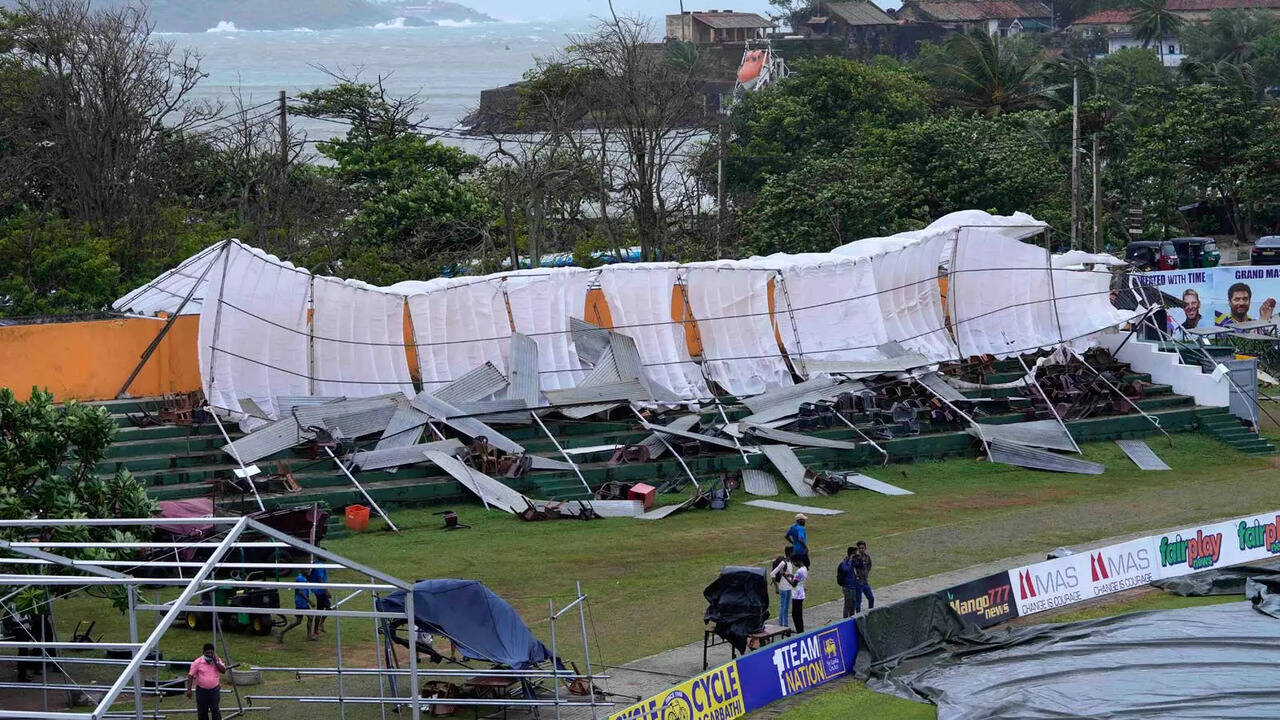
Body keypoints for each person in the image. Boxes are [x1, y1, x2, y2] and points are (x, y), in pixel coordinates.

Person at [186, 642, 226, 720]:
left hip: (214, 690)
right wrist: (189, 690)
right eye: (208, 653)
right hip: (202, 691)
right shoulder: (197, 662)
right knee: (202, 712)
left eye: (211, 652)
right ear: (203, 653)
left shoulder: (217, 660)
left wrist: (216, 662)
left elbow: (223, 671)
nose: (210, 655)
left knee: (215, 710)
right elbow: (190, 676)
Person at [275, 570, 314, 643]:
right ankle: (281, 633)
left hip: (303, 602)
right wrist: (309, 601)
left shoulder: (303, 578)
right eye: (307, 570)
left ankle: (281, 633)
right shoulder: (300, 579)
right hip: (301, 602)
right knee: (304, 619)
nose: (309, 571)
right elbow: (300, 592)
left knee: (302, 620)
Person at [769, 547, 795, 628]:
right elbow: (772, 573)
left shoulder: (790, 562)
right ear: (790, 553)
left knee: (786, 608)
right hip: (783, 588)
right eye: (793, 552)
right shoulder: (783, 563)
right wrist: (776, 587)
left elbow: (788, 574)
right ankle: (780, 625)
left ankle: (785, 625)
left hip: (788, 587)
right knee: (783, 607)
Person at [850, 541, 874, 614]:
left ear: (865, 548)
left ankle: (871, 612)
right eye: (859, 548)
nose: (861, 549)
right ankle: (858, 616)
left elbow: (870, 565)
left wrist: (866, 573)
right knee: (858, 601)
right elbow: (851, 568)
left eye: (862, 548)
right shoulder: (855, 558)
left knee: (871, 598)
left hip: (865, 581)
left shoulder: (867, 557)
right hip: (858, 582)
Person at [836, 547, 860, 619]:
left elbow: (860, 565)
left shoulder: (853, 562)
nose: (857, 554)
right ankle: (845, 619)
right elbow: (845, 570)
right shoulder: (844, 563)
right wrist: (850, 560)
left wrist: (859, 558)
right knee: (847, 605)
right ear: (852, 554)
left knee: (853, 605)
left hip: (853, 587)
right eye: (855, 553)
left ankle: (852, 618)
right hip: (847, 587)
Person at [309, 563, 331, 635]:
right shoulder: (319, 565)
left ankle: (320, 624)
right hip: (320, 591)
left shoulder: (316, 563)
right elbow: (319, 578)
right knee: (320, 610)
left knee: (328, 607)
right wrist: (326, 591)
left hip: (320, 590)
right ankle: (316, 629)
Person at [790, 556, 809, 634]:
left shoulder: (799, 571)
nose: (794, 564)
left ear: (798, 561)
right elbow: (798, 579)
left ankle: (799, 631)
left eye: (794, 562)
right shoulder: (804, 569)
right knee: (798, 615)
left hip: (797, 595)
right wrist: (792, 576)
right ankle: (801, 631)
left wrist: (784, 576)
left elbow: (793, 584)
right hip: (801, 594)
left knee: (795, 615)